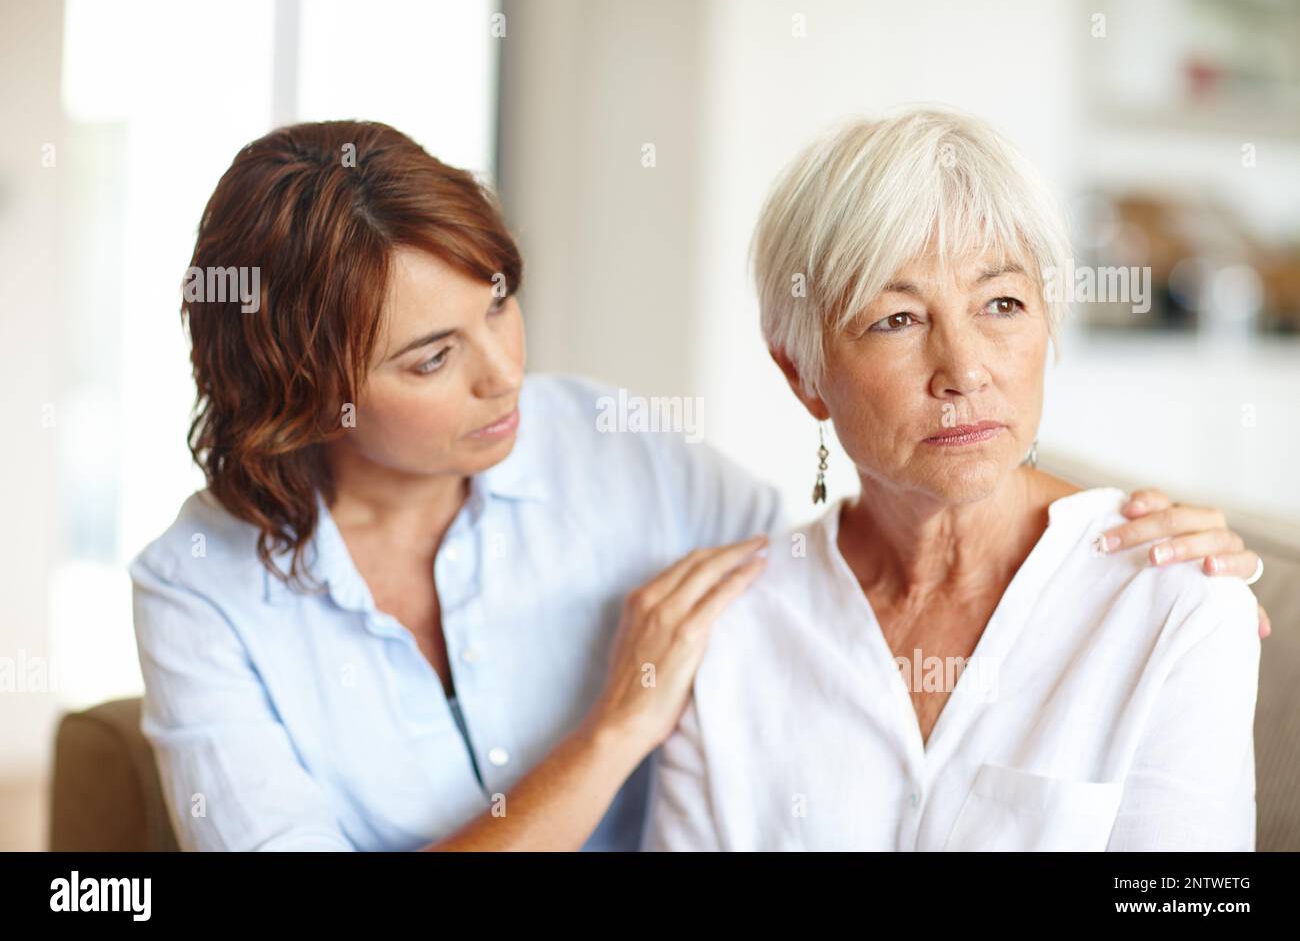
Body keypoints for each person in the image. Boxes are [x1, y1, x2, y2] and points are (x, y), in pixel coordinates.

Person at [132, 119, 1266, 851]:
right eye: (430, 358)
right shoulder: (198, 588)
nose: (502, 370)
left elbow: (894, 516)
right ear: (301, 390)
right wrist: (619, 724)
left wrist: (1120, 532)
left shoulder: (625, 460)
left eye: (498, 301)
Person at [645, 107, 1262, 851]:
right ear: (801, 371)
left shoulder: (1174, 598)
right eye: (898, 319)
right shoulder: (730, 630)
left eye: (1002, 304)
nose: (965, 369)